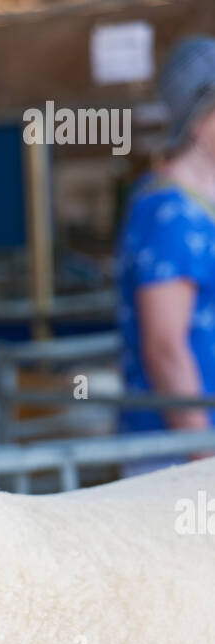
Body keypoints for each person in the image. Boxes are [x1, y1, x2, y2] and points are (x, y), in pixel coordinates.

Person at [117, 36, 215, 475]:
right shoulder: (170, 213)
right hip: (177, 465)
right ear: (200, 120)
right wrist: (205, 463)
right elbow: (165, 349)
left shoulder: (198, 206)